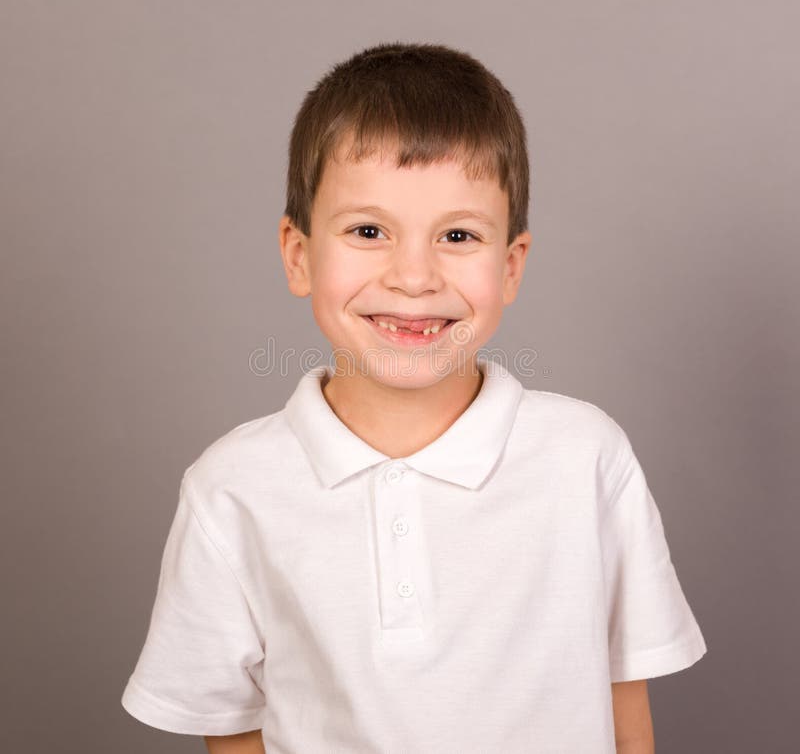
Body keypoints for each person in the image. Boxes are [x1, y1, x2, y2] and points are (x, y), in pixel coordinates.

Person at [120, 42, 707, 754]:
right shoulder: (231, 490)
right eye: (369, 231)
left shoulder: (585, 458)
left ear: (511, 264)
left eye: (458, 235)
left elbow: (622, 691)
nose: (414, 275)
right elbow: (233, 725)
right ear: (299, 255)